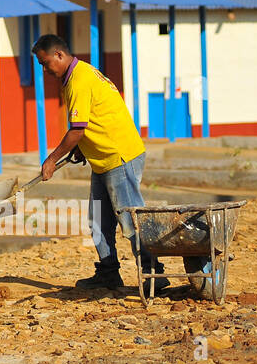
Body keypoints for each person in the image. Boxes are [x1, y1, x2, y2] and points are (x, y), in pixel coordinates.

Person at [32, 33, 167, 293]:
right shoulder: (77, 74)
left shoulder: (80, 80)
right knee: (98, 221)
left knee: (130, 220)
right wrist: (83, 149)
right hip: (103, 158)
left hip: (119, 157)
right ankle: (108, 274)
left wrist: (51, 160)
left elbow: (77, 129)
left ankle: (154, 276)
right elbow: (93, 120)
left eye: (45, 63)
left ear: (59, 55)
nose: (45, 69)